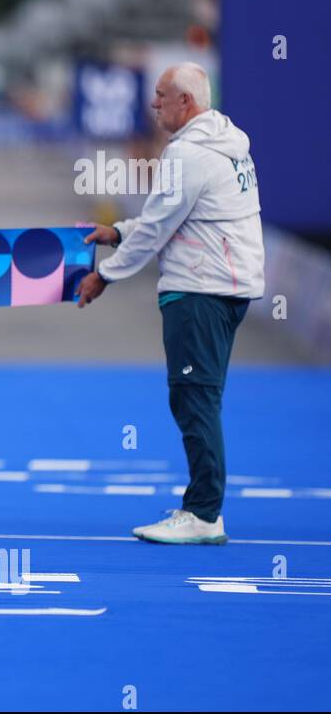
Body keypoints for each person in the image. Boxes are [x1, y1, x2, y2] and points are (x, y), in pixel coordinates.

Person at [77, 63, 264, 545]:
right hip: (226, 286)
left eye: (161, 95)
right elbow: (170, 216)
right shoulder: (224, 143)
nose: (154, 103)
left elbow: (161, 227)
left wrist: (105, 274)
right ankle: (203, 505)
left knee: (194, 397)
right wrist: (118, 232)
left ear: (186, 102)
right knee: (202, 397)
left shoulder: (190, 156)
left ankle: (203, 513)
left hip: (200, 290)